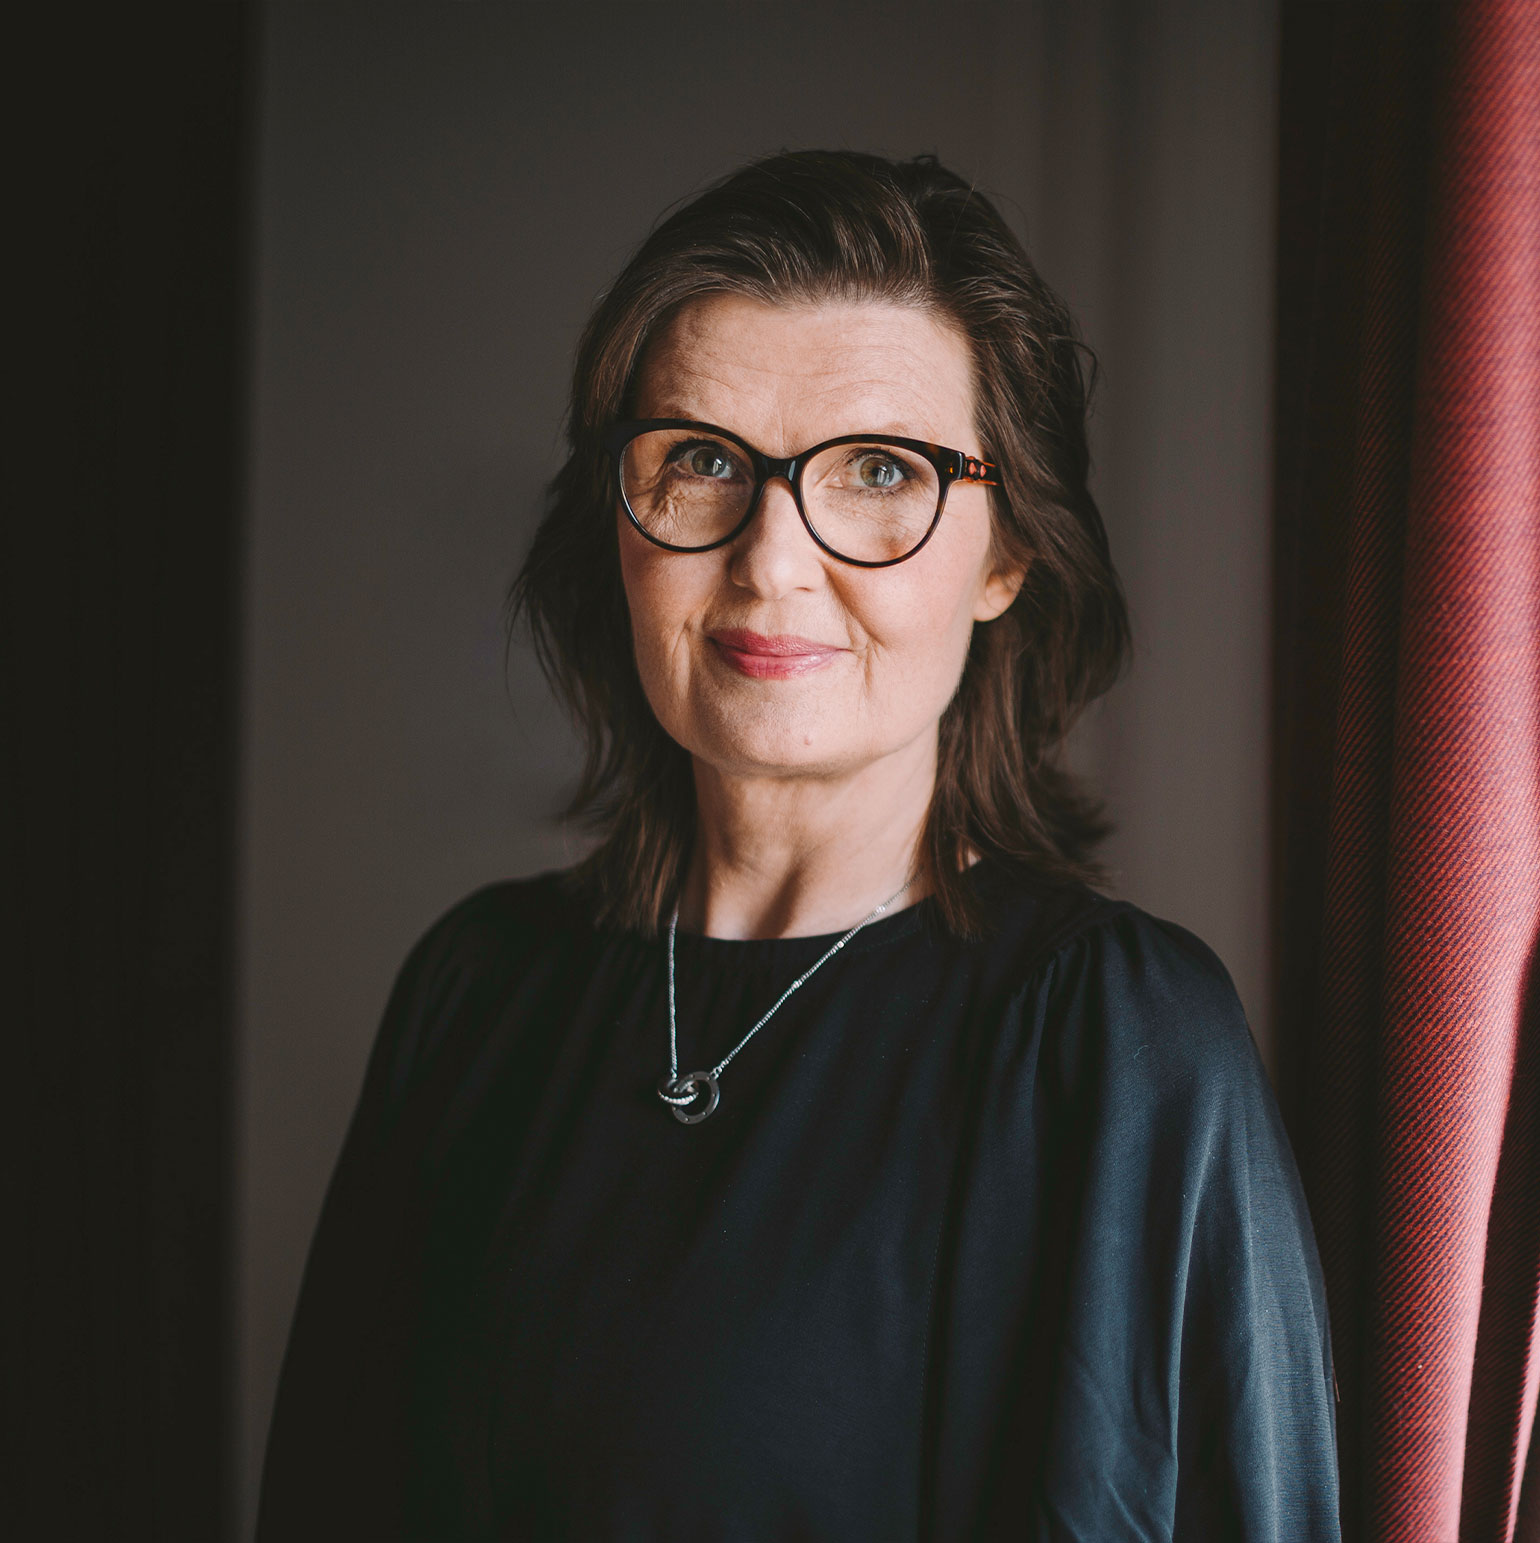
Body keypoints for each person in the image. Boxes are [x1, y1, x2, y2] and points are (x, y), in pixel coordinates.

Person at [257, 150, 1340, 1540]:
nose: (772, 561)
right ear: (619, 523)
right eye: (703, 460)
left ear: (1006, 554)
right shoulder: (471, 993)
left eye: (881, 471)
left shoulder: (1120, 1041)